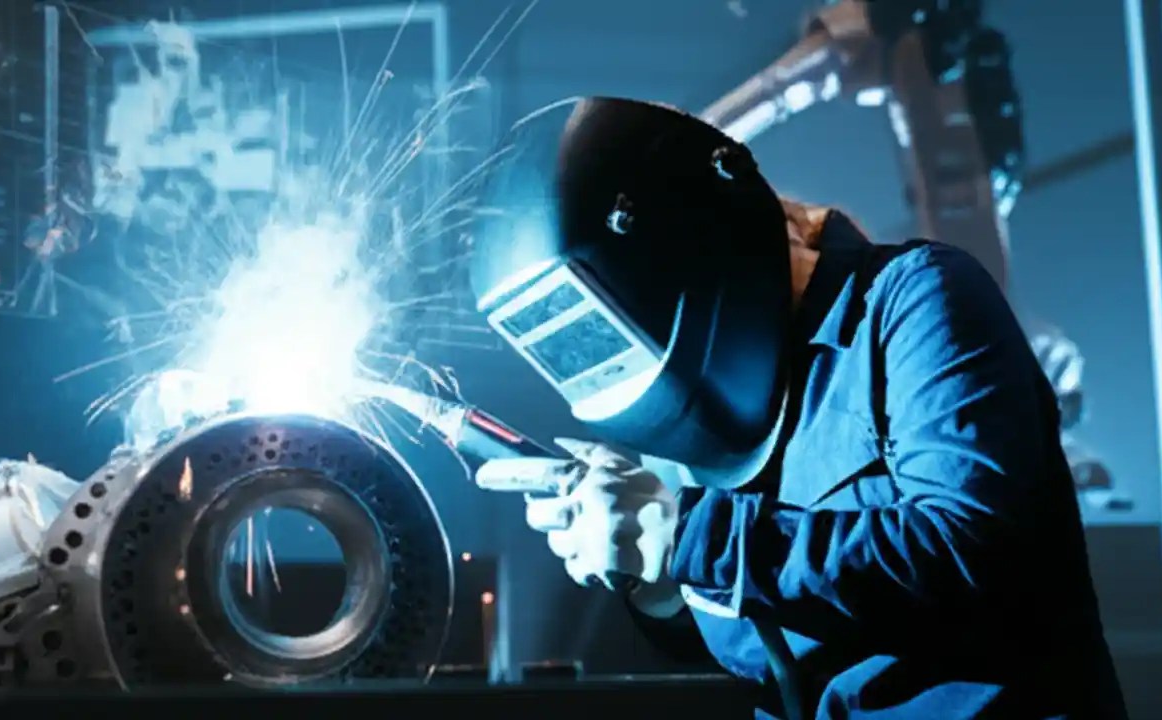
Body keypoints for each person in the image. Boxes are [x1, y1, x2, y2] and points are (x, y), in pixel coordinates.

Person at [469, 97, 1128, 719]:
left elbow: (970, 551)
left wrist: (693, 538)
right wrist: (657, 578)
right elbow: (758, 648)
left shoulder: (914, 301)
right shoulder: (690, 431)